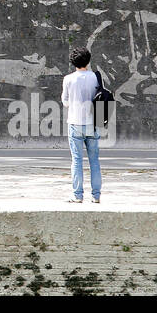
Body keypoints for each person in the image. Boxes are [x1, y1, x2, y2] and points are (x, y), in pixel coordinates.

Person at [62, 47, 101, 203]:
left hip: (75, 123)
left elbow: (65, 102)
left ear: (73, 62)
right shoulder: (95, 77)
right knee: (94, 160)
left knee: (77, 160)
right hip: (92, 122)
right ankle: (96, 195)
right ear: (88, 60)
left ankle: (78, 195)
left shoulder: (68, 79)